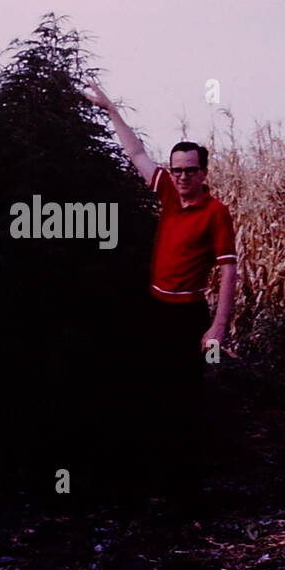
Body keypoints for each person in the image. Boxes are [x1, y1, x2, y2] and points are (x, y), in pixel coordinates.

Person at [82, 80, 238, 513]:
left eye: (190, 170)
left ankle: (183, 498)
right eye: (177, 169)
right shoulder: (168, 194)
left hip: (188, 318)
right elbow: (136, 154)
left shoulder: (216, 213)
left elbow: (229, 270)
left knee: (183, 402)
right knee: (143, 395)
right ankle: (143, 485)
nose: (182, 177)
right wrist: (111, 108)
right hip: (153, 311)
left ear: (204, 173)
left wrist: (217, 329)